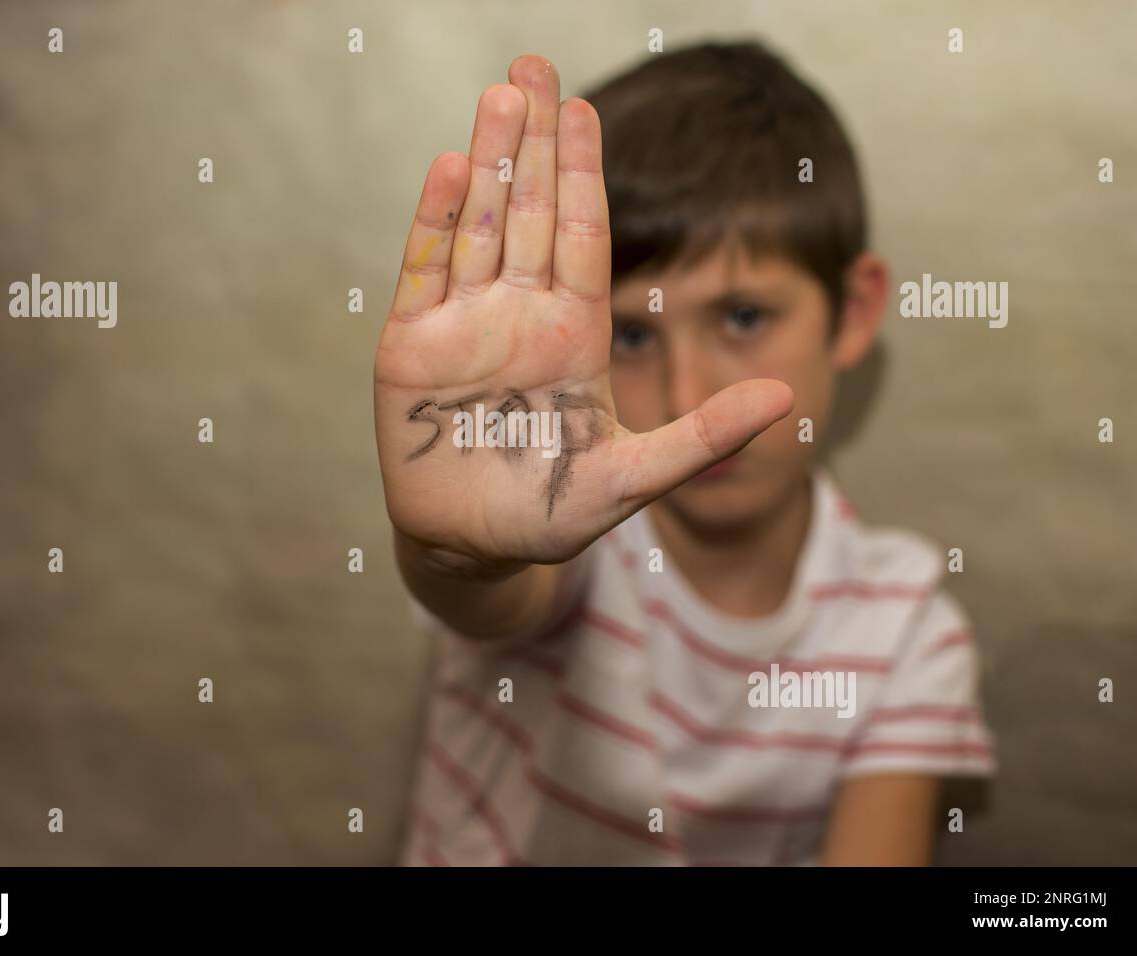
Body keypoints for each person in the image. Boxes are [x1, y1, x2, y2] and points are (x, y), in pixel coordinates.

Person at [373, 43, 995, 866]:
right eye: (632, 333)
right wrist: (458, 554)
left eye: (742, 318)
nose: (686, 389)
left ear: (853, 312)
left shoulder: (905, 633)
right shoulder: (568, 524)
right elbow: (500, 594)